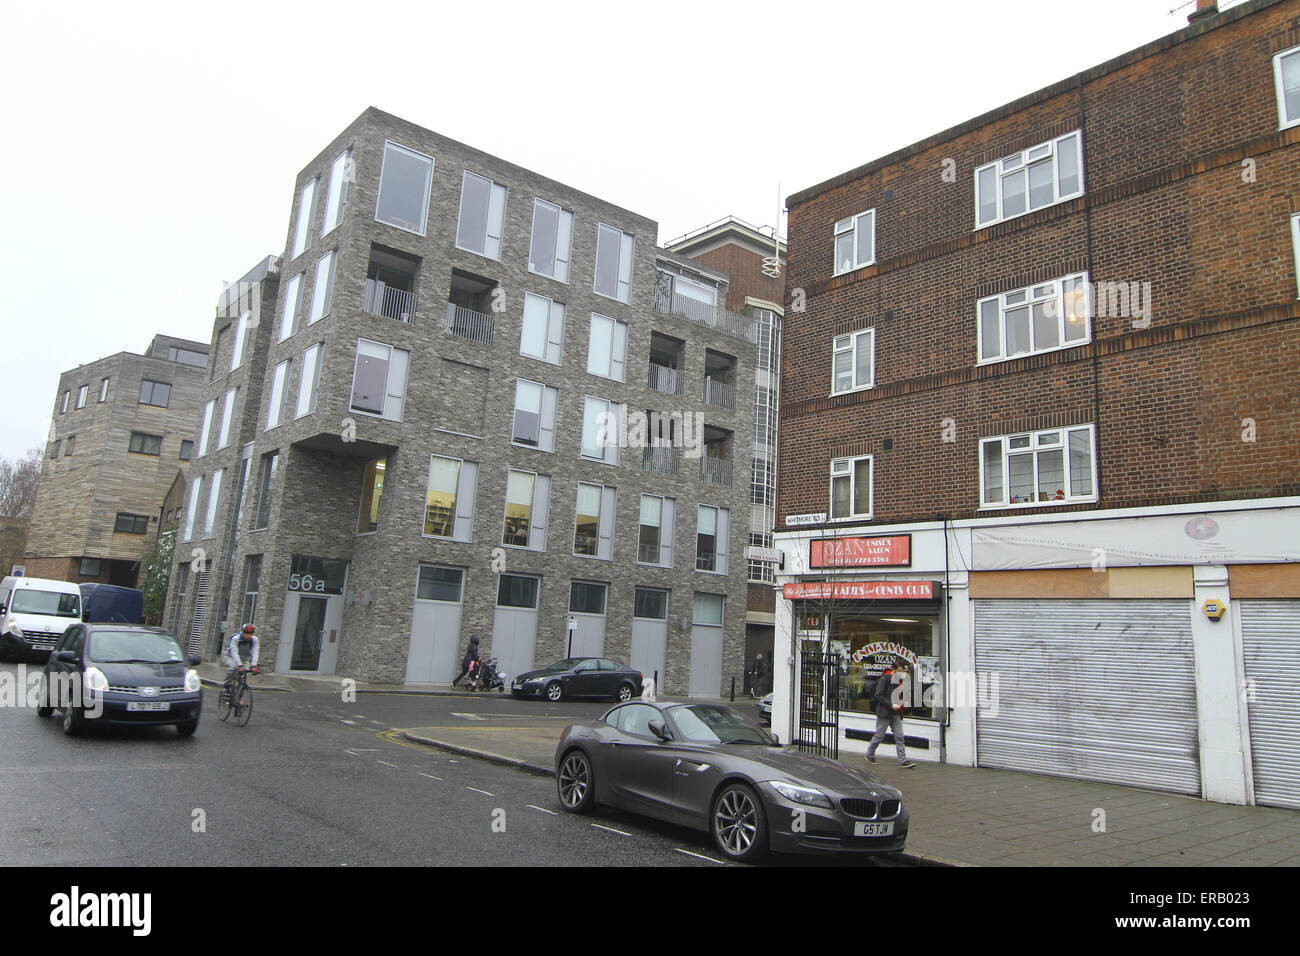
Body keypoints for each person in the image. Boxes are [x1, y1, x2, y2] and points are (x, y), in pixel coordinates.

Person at [865, 660, 916, 768]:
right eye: (900, 671)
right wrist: (891, 704)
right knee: (879, 735)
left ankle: (902, 760)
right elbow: (878, 695)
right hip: (884, 712)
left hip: (895, 713)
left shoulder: (898, 681)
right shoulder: (884, 679)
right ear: (894, 670)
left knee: (899, 736)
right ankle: (869, 754)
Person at [223, 623, 260, 690]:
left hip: (244, 659)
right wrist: (240, 665)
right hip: (230, 657)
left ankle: (240, 693)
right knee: (234, 667)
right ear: (242, 632)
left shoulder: (254, 640)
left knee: (244, 674)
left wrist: (254, 666)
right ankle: (227, 685)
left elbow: (255, 652)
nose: (248, 636)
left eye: (251, 634)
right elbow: (234, 652)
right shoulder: (236, 639)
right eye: (246, 633)